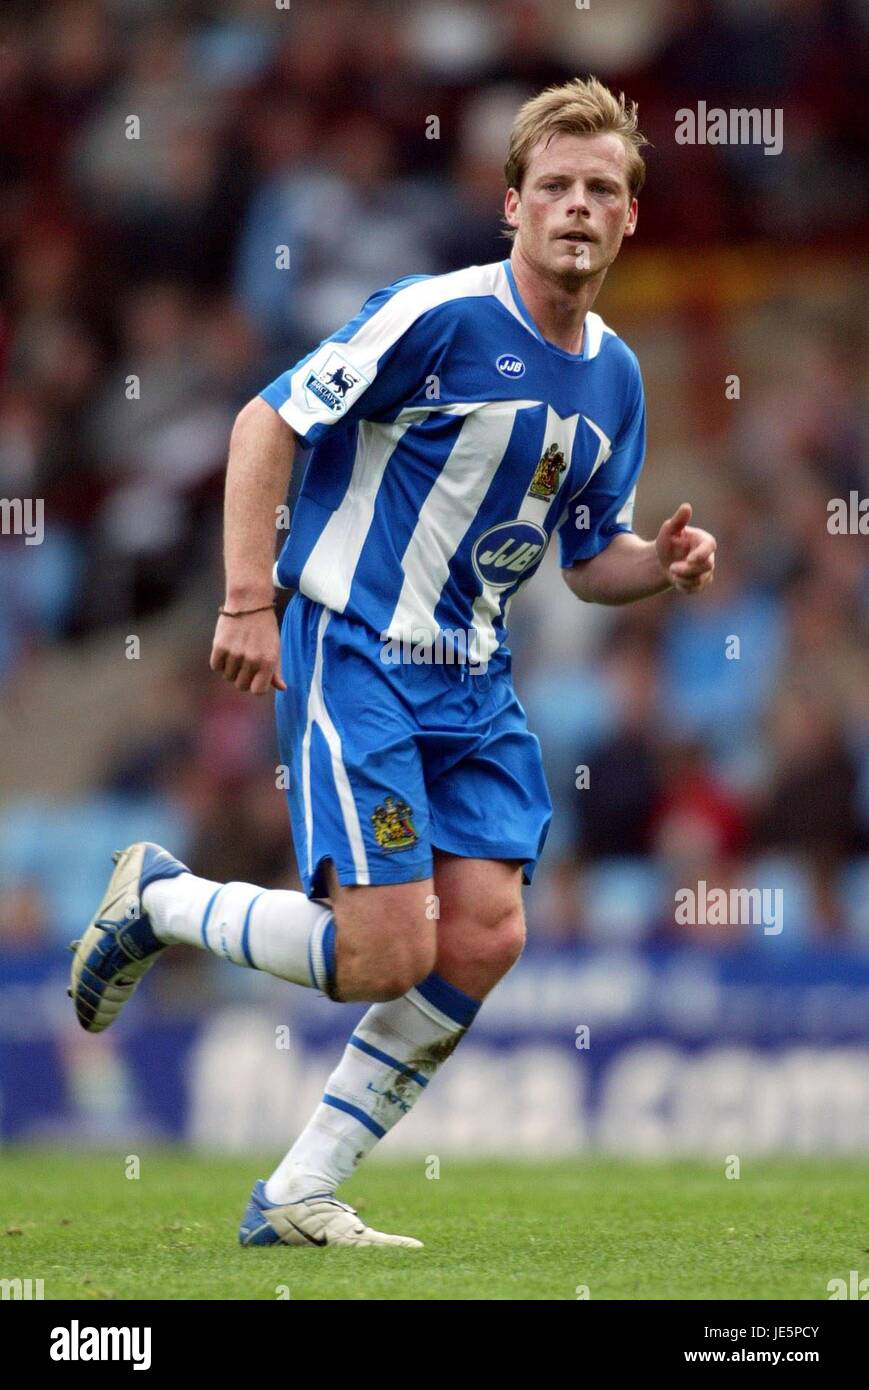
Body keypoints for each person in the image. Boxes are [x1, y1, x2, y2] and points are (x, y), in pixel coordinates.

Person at [70, 76, 716, 1249]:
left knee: (484, 934)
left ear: (630, 219)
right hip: (355, 644)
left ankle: (296, 1193)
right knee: (383, 951)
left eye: (603, 190)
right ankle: (160, 898)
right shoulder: (436, 317)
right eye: (556, 186)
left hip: (473, 675)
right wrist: (244, 599)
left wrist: (658, 568)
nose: (578, 205)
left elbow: (583, 556)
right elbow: (265, 422)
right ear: (509, 205)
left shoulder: (615, 377)